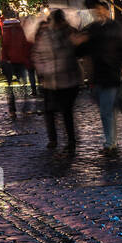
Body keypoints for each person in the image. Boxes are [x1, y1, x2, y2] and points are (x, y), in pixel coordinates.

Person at [74, 0, 122, 157]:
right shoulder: (92, 29)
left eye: (100, 9)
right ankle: (111, 139)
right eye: (95, 10)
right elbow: (82, 51)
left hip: (111, 72)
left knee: (106, 110)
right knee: (106, 109)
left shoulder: (115, 27)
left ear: (106, 10)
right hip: (97, 75)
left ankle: (110, 143)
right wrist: (78, 43)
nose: (98, 12)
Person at [31, 9, 80, 150]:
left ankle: (69, 140)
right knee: (52, 111)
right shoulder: (46, 35)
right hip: (52, 80)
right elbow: (37, 55)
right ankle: (56, 139)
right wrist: (43, 71)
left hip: (66, 80)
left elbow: (77, 52)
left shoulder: (69, 33)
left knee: (65, 112)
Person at [0, 17, 34, 114]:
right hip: (21, 62)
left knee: (10, 87)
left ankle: (12, 107)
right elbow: (26, 47)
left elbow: (4, 49)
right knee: (23, 85)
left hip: (10, 63)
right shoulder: (21, 33)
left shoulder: (6, 34)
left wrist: (4, 61)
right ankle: (25, 106)